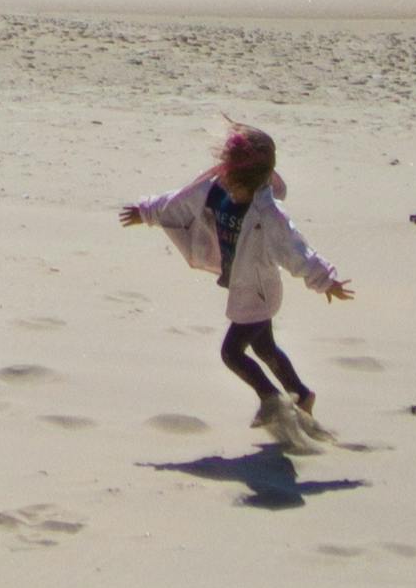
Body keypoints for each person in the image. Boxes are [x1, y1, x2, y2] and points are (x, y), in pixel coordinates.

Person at [120, 122, 350, 431]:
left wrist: (324, 280)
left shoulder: (269, 215)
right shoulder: (217, 191)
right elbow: (180, 201)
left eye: (234, 178)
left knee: (231, 353)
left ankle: (271, 400)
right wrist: (146, 211)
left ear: (252, 181)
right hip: (242, 286)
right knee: (265, 348)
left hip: (258, 291)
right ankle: (302, 395)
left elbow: (296, 250)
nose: (227, 181)